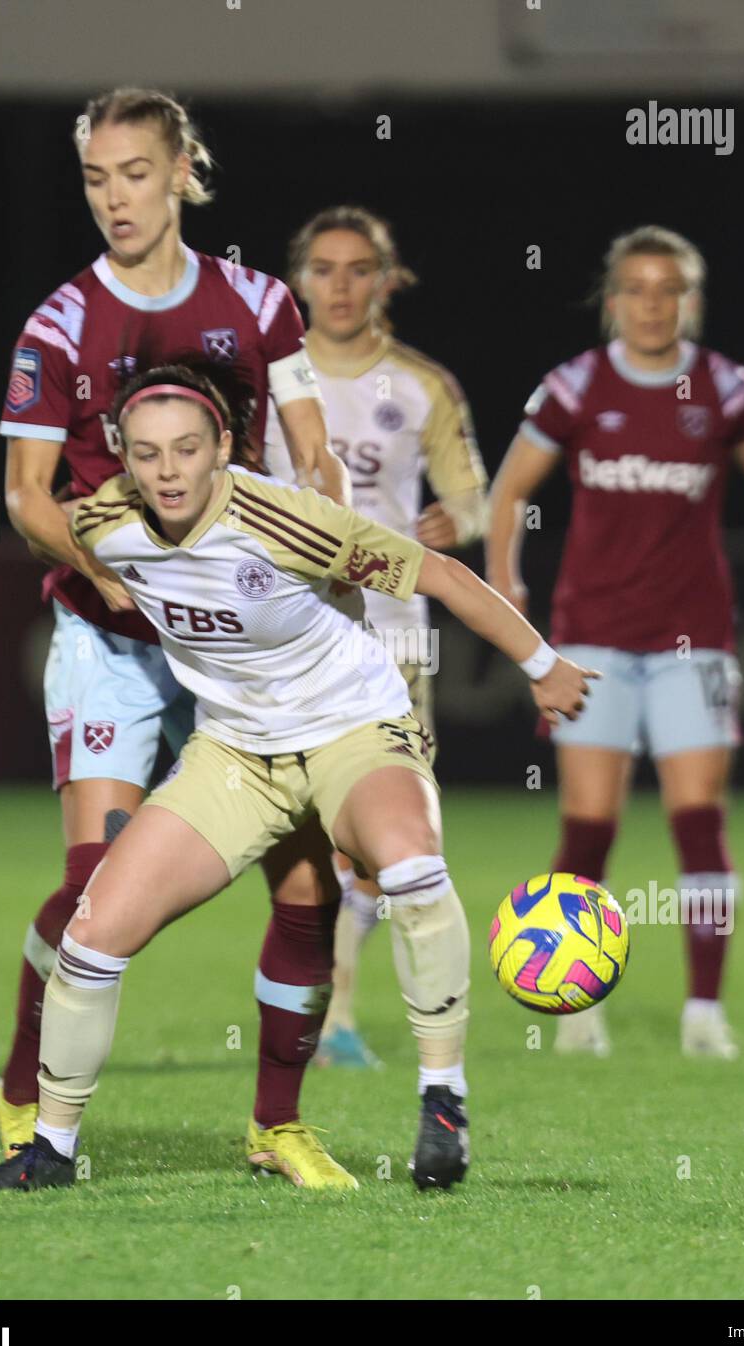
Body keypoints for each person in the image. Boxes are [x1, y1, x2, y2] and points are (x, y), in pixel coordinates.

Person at [0, 359, 597, 1194]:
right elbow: (40, 516)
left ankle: (443, 1099)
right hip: (234, 756)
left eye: (187, 449)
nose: (167, 470)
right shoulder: (106, 521)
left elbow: (437, 573)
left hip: (353, 734)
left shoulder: (288, 519)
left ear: (223, 445)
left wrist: (541, 663)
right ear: (120, 452)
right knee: (90, 936)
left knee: (409, 868)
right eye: (146, 453)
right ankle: (50, 1151)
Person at [0, 86, 355, 1187]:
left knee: (309, 885)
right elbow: (25, 493)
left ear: (183, 171)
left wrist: (316, 542)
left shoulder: (258, 303)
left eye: (135, 173)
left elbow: (312, 455)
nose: (115, 198)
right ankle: (23, 1089)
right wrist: (121, 573)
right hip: (111, 638)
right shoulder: (58, 324)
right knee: (98, 881)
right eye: (97, 178)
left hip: (240, 646)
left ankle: (277, 1127)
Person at [486, 225, 744, 1061]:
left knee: (698, 824)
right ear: (611, 302)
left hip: (694, 644)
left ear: (691, 300)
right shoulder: (572, 388)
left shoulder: (725, 388)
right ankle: (574, 1006)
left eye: (669, 288)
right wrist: (506, 578)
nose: (652, 303)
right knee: (587, 830)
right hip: (591, 642)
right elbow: (508, 492)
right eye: (637, 289)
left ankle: (703, 1013)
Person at [263, 206, 489, 1068]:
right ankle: (312, 1010)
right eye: (324, 268)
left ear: (387, 279)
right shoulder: (271, 379)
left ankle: (341, 1015)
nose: (341, 285)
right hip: (283, 634)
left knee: (381, 836)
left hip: (393, 638)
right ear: (298, 279)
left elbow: (476, 492)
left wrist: (455, 521)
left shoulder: (423, 385)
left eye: (360, 269)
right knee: (298, 840)